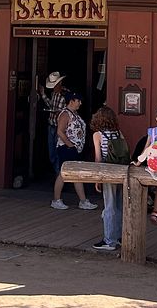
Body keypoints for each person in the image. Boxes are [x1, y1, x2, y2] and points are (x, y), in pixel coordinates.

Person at [51, 93, 97, 211]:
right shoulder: (65, 114)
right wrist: (69, 145)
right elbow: (60, 131)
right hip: (67, 148)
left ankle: (83, 201)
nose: (80, 103)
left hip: (76, 148)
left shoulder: (74, 114)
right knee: (64, 173)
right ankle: (56, 200)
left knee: (76, 173)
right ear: (71, 101)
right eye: (78, 100)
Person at [90, 105, 123, 251]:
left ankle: (109, 240)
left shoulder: (98, 135)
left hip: (107, 172)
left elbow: (98, 157)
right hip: (121, 172)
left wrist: (98, 178)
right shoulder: (118, 133)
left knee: (109, 206)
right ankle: (121, 236)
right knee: (119, 206)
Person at [39, 71, 71, 174]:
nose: (53, 88)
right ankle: (58, 174)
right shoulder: (54, 94)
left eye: (55, 85)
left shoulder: (66, 95)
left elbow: (69, 111)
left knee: (58, 152)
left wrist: (60, 114)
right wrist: (43, 94)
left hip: (60, 127)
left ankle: (59, 177)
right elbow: (51, 105)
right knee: (52, 153)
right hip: (51, 126)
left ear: (60, 83)